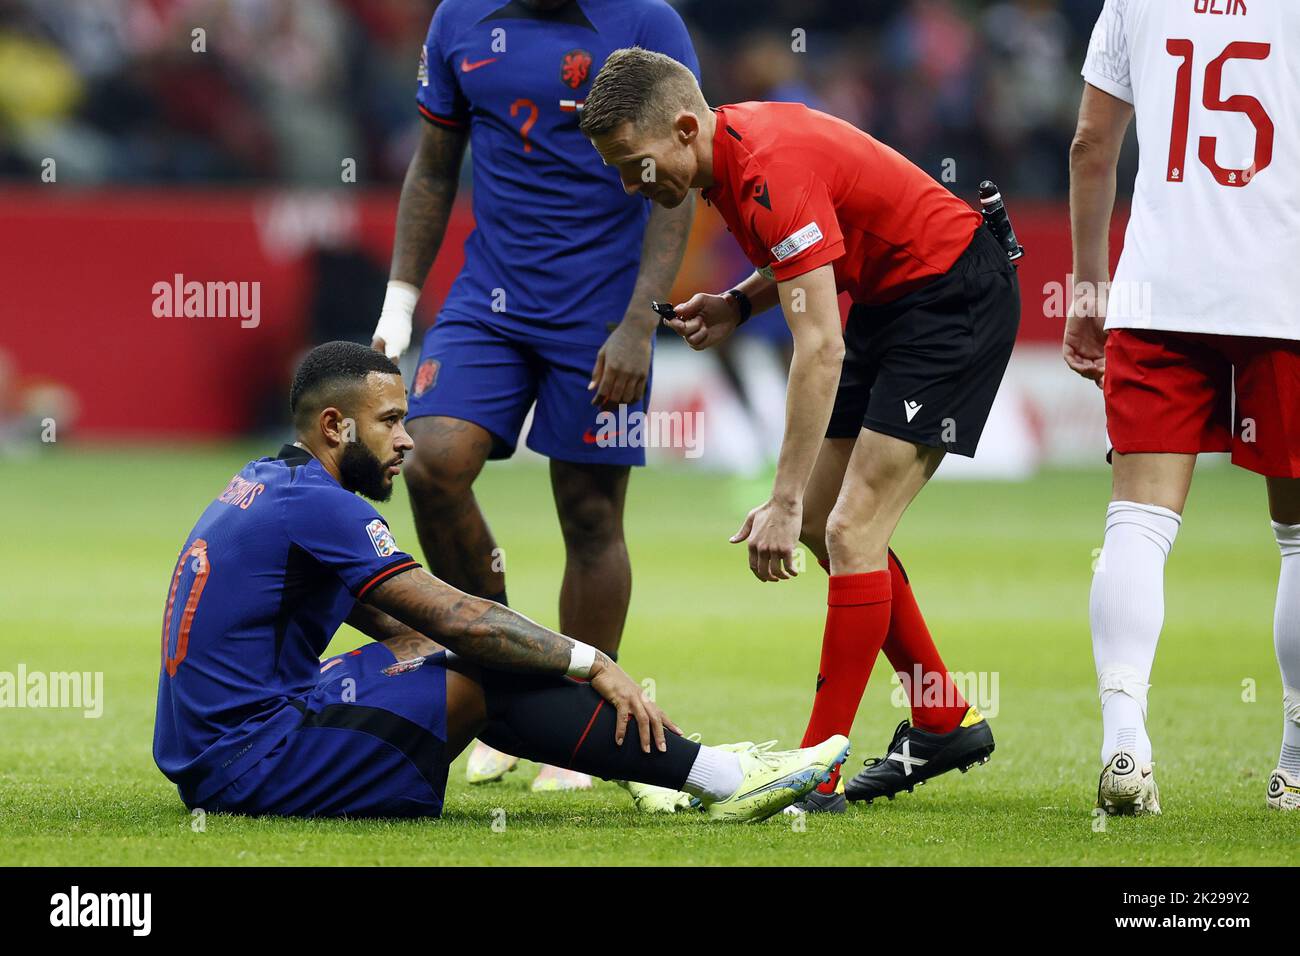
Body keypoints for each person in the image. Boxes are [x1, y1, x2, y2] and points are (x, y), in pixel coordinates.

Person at [152, 342, 848, 822]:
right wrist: (592, 661)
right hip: (251, 763)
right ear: (335, 426)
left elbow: (413, 629)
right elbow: (460, 618)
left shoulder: (271, 480)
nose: (407, 440)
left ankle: (674, 769)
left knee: (485, 660)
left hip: (219, 752)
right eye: (390, 422)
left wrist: (521, 661)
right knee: (484, 663)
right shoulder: (320, 505)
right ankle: (718, 779)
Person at [580, 49, 1016, 812]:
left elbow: (820, 347)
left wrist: (780, 498)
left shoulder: (764, 170)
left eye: (636, 166)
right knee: (833, 526)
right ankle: (943, 715)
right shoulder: (731, 156)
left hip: (953, 300)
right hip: (896, 299)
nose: (630, 186)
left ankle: (817, 773)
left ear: (684, 130)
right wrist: (739, 305)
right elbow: (813, 248)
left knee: (843, 528)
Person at [370, 0, 699, 793]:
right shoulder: (460, 19)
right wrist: (400, 299)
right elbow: (435, 162)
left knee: (589, 513)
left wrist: (640, 322)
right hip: (490, 297)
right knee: (431, 464)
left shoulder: (647, 21)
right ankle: (505, 684)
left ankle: (575, 733)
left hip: (602, 309)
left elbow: (678, 182)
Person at [1066, 0, 1300, 814]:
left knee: (1137, 522)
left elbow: (1093, 145)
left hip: (1160, 286)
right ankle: (1295, 768)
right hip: (1285, 292)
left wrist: (1090, 286)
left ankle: (1125, 746)